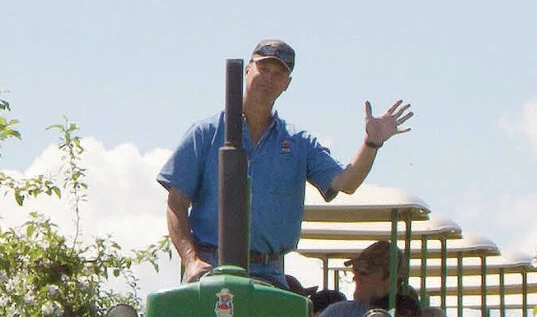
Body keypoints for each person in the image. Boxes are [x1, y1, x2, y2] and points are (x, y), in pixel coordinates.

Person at [159, 39, 411, 287]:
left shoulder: (299, 142)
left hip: (268, 273)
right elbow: (176, 203)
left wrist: (371, 143)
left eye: (279, 73)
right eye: (263, 68)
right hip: (209, 269)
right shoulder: (205, 134)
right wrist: (191, 260)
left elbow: (346, 182)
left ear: (287, 84)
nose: (269, 78)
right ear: (247, 70)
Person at [313, 239, 441, 317]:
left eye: (364, 272)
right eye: (355, 270)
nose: (355, 277)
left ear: (390, 277)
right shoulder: (336, 315)